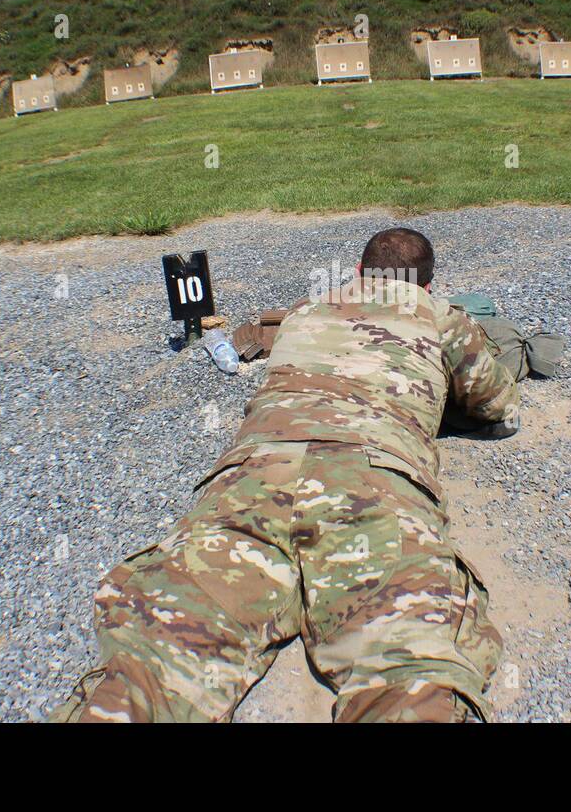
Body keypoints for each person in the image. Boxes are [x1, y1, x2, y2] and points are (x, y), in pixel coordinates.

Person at [51, 227, 520, 723]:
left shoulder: (305, 309)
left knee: (154, 665)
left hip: (251, 476)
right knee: (410, 675)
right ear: (427, 287)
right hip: (375, 484)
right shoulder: (441, 317)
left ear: (358, 272)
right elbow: (497, 405)